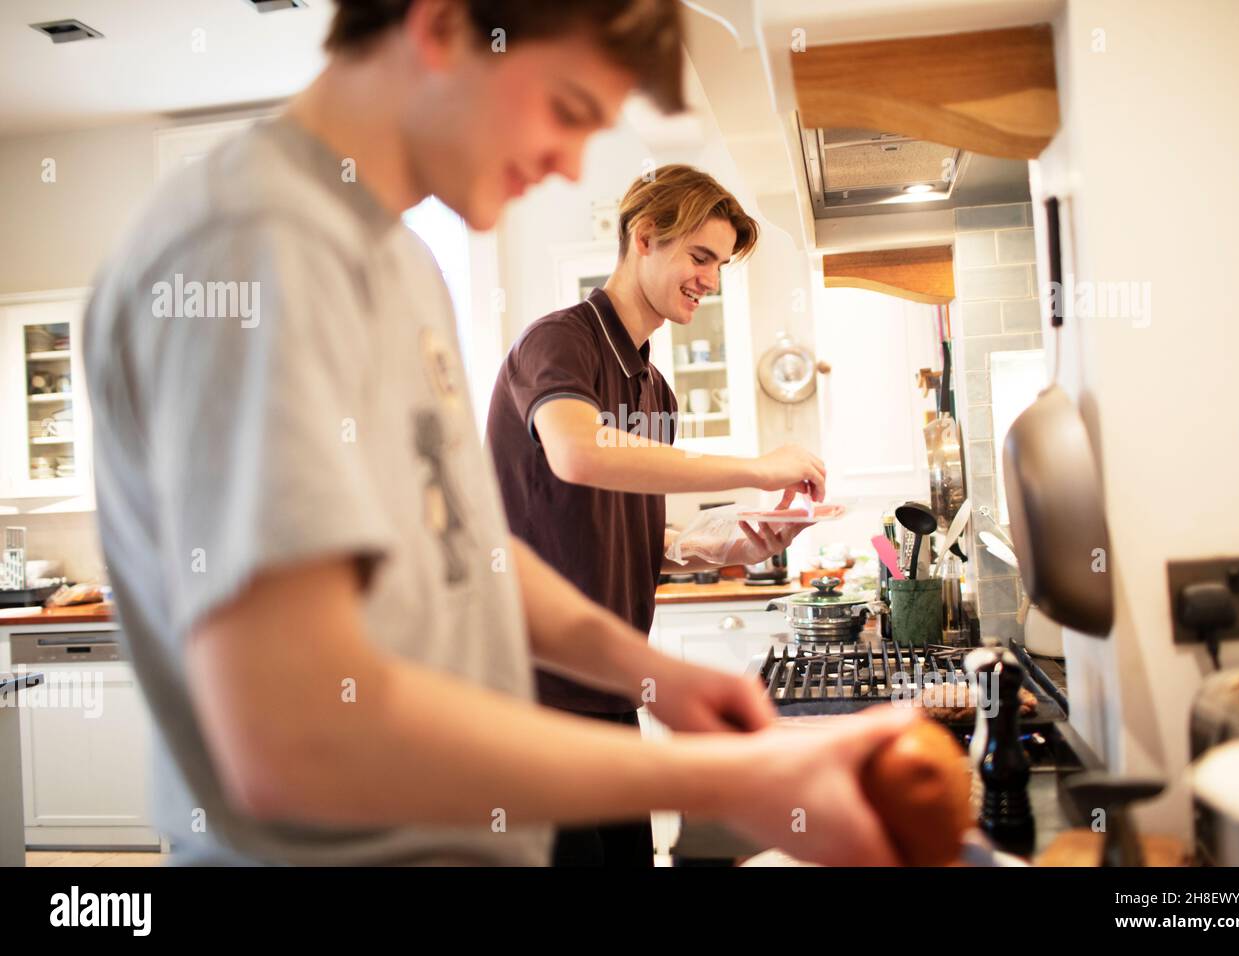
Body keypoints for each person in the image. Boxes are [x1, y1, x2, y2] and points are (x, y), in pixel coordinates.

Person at [83, 0, 914, 866]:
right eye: (564, 107)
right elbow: (295, 737)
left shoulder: (404, 263)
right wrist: (725, 778)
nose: (568, 163)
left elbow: (469, 544)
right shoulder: (250, 247)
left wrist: (665, 679)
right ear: (442, 29)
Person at [487, 164, 825, 865]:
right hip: (534, 693)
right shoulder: (561, 343)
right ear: (644, 238)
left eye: (720, 264)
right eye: (700, 256)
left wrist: (730, 544)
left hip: (610, 690)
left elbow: (637, 535)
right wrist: (756, 466)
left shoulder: (657, 390)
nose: (710, 278)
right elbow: (578, 455)